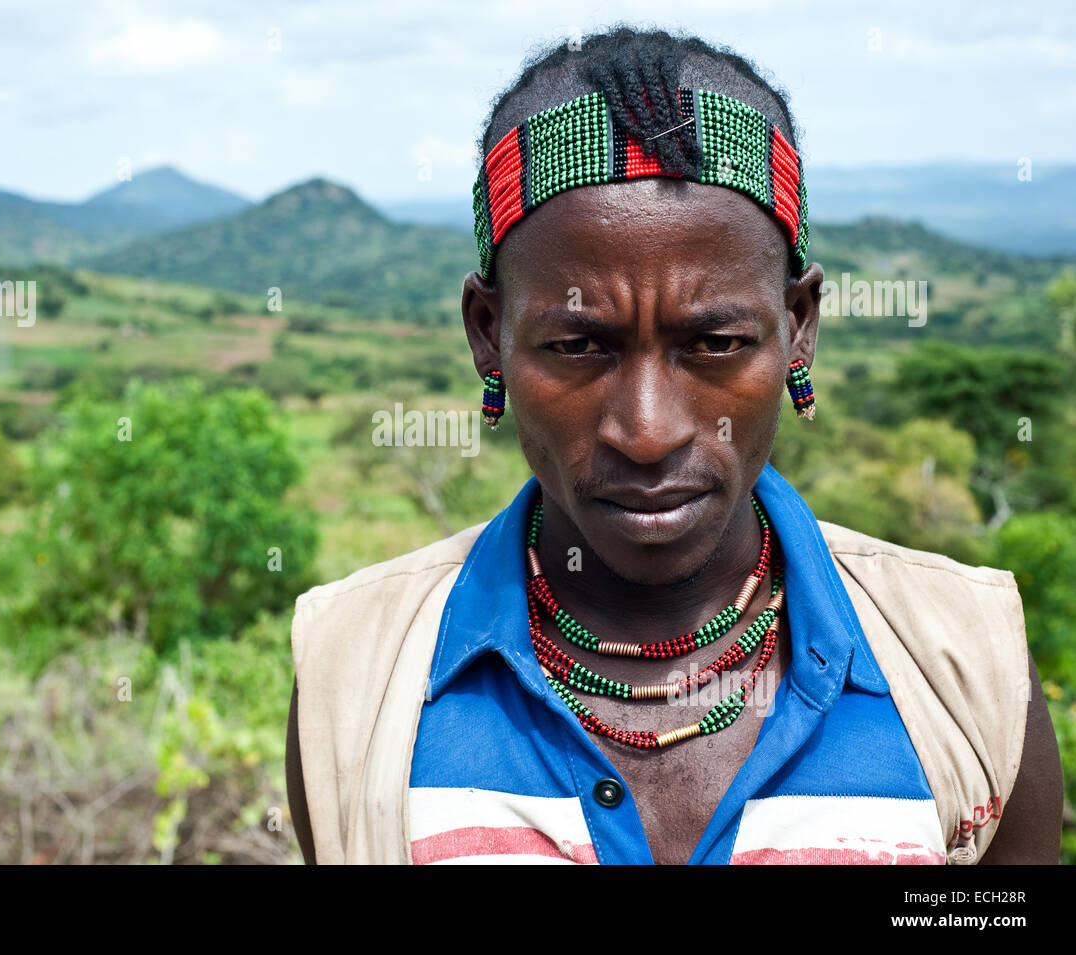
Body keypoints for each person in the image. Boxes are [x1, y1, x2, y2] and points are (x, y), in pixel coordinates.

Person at [285, 26, 1063, 865]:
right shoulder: (357, 680)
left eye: (716, 342)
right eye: (580, 346)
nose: (649, 431)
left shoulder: (964, 666)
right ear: (488, 334)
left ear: (798, 328)